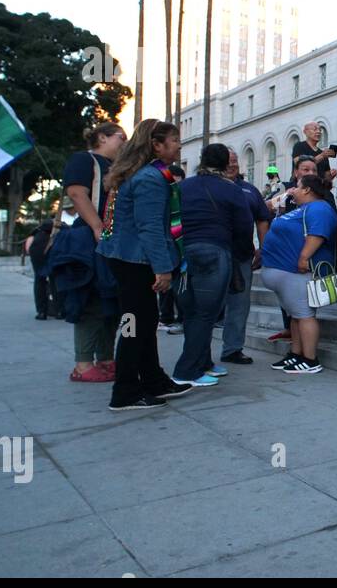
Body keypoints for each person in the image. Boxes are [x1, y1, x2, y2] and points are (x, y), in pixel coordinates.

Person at [97, 119, 193, 410]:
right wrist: (162, 268)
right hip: (136, 261)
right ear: (156, 144)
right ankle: (125, 391)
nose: (179, 145)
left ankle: (153, 380)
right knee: (135, 325)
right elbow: (150, 227)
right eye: (174, 140)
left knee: (144, 322)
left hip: (126, 258)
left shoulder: (139, 174)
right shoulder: (150, 179)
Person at [51, 122, 127, 383]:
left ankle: (106, 359)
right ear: (102, 137)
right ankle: (83, 364)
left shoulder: (116, 167)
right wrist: (97, 226)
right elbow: (76, 192)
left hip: (113, 241)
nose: (124, 143)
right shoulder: (84, 160)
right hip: (91, 240)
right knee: (91, 300)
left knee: (111, 302)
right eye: (121, 137)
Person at [173, 143, 254, 387]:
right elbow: (243, 226)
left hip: (184, 254)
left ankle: (203, 362)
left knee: (192, 312)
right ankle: (187, 370)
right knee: (205, 314)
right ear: (224, 163)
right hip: (214, 253)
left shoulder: (183, 187)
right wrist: (242, 255)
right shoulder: (231, 190)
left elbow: (171, 219)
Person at [259, 174, 337, 374]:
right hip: (283, 271)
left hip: (299, 271)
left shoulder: (319, 207)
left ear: (307, 190)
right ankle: (296, 355)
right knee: (296, 316)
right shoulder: (300, 209)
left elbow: (317, 234)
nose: (292, 190)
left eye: (297, 186)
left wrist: (304, 257)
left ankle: (310, 360)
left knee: (304, 315)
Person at [220, 148, 272, 364]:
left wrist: (263, 247)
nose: (232, 165)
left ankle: (232, 349)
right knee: (209, 305)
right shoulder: (210, 187)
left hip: (242, 257)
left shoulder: (250, 190)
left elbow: (262, 219)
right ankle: (199, 354)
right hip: (214, 256)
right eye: (228, 161)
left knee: (240, 303)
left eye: (235, 161)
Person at [158, 164, 187, 334]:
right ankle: (166, 316)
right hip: (166, 247)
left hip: (178, 246)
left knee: (178, 285)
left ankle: (177, 318)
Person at [25, 217, 57, 319]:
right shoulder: (57, 234)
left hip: (37, 255)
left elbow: (28, 249)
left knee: (39, 281)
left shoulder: (35, 234)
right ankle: (60, 311)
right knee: (55, 281)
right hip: (53, 254)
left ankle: (41, 312)